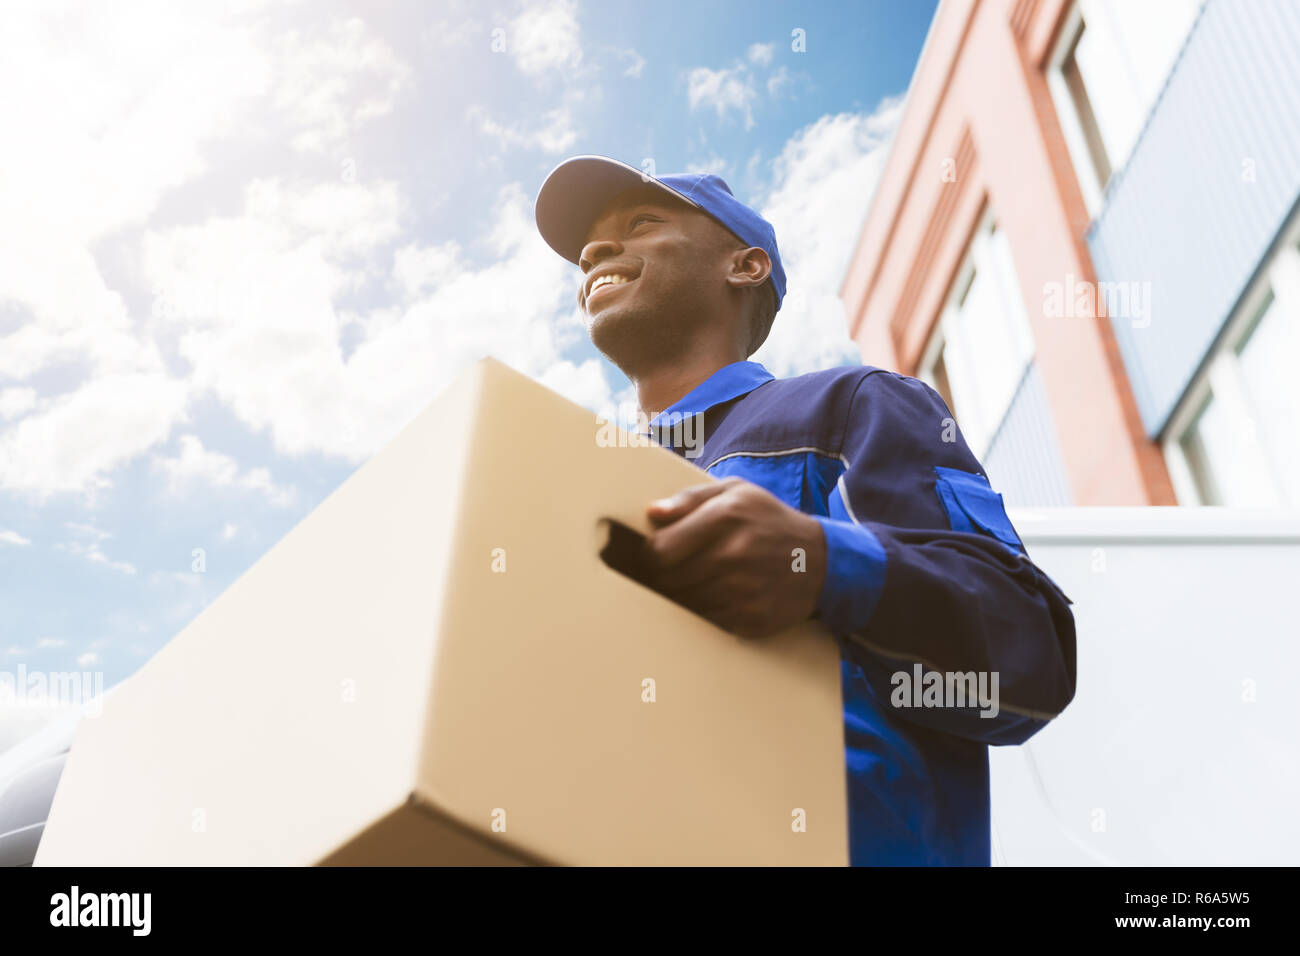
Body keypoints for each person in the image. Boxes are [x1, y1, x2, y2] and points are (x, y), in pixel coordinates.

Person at [534, 155, 1077, 865]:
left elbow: (1029, 656)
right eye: (589, 246)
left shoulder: (853, 407)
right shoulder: (573, 490)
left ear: (746, 265)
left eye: (639, 223)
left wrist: (825, 565)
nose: (596, 251)